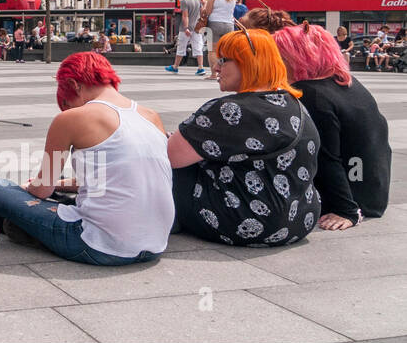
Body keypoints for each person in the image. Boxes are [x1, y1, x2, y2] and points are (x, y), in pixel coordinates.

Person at [0, 52, 173, 265]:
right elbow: (115, 178)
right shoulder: (150, 116)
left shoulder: (72, 118)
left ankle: (19, 226)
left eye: (66, 103)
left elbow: (41, 189)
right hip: (155, 243)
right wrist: (60, 185)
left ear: (74, 84)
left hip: (100, 245)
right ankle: (22, 227)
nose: (69, 109)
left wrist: (25, 190)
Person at [165, 28, 322, 246]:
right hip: (300, 220)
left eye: (223, 60)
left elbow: (170, 156)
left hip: (245, 221)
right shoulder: (295, 104)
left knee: (166, 165)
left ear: (246, 62)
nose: (216, 67)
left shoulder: (229, 110)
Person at [272, 23, 390, 230]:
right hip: (372, 188)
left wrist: (346, 209)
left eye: (280, 56)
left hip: (351, 196)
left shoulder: (312, 93)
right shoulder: (345, 82)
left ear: (296, 58)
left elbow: (325, 155)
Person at [165, 0, 206, 75]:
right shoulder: (197, 0)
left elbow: (185, 16)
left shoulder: (184, 0)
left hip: (186, 29)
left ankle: (175, 67)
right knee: (198, 47)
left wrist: (186, 28)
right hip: (197, 28)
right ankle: (200, 68)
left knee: (181, 47)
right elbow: (201, 12)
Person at [203, 0, 237, 80]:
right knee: (226, 51)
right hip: (229, 25)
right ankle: (226, 73)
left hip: (214, 24)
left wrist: (204, 5)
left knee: (212, 51)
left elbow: (207, 12)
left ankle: (214, 74)